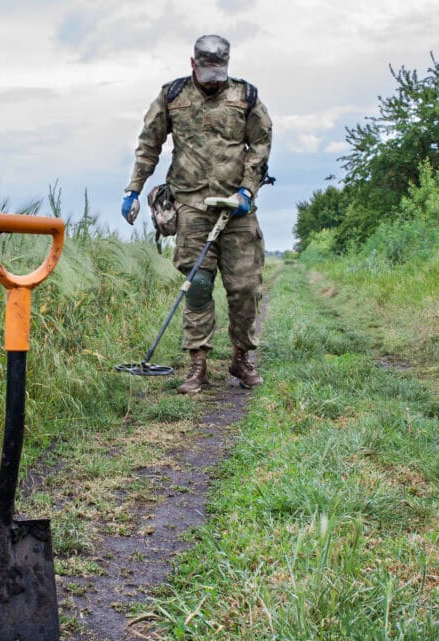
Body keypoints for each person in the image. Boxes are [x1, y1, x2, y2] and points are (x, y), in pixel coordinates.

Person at [121, 34, 273, 394]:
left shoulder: (246, 96)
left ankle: (241, 358)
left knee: (245, 287)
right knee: (198, 285)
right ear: (193, 64)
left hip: (237, 209)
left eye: (219, 71)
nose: (213, 78)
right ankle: (197, 365)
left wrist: (248, 188)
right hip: (191, 204)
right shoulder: (172, 96)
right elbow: (149, 144)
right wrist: (134, 189)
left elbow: (261, 144)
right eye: (206, 71)